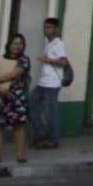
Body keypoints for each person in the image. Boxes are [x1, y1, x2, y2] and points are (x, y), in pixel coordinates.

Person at [0, 33, 31, 166]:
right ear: (9, 45)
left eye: (20, 44)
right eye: (14, 43)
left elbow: (15, 73)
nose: (17, 46)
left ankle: (21, 156)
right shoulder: (0, 60)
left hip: (16, 98)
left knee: (19, 126)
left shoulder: (24, 60)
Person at [31, 18, 69, 148]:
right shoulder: (48, 43)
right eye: (45, 27)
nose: (46, 30)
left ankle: (54, 140)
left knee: (50, 113)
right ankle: (41, 132)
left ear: (55, 29)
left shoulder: (58, 44)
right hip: (42, 82)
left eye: (49, 27)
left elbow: (63, 62)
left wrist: (48, 60)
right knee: (29, 104)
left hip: (52, 84)